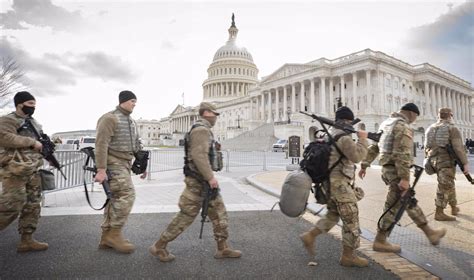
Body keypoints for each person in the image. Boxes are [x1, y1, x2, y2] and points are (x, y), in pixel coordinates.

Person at [149, 102, 241, 262]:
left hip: (203, 181)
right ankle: (159, 246)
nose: (216, 118)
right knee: (186, 215)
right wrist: (210, 177)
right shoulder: (201, 130)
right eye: (215, 114)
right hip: (198, 182)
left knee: (219, 214)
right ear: (206, 113)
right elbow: (199, 156)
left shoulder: (203, 129)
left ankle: (223, 248)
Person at [358, 103, 446, 253]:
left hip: (388, 169)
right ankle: (380, 240)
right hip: (396, 172)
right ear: (411, 113)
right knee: (392, 206)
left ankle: (430, 233)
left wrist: (365, 164)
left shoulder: (386, 123)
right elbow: (402, 154)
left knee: (408, 201)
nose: (415, 120)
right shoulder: (402, 126)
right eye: (415, 116)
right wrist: (404, 178)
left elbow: (375, 146)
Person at [300, 106, 370, 267]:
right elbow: (357, 156)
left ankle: (310, 236)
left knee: (333, 215)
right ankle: (348, 256)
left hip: (329, 185)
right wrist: (363, 139)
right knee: (351, 220)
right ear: (348, 120)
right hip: (340, 186)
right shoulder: (344, 138)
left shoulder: (329, 134)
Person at [94, 90, 146, 254]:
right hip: (113, 162)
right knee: (127, 194)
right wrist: (101, 170)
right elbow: (101, 144)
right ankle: (114, 234)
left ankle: (106, 237)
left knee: (115, 198)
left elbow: (136, 144)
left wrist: (143, 166)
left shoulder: (130, 121)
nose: (134, 104)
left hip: (125, 163)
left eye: (135, 101)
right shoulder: (110, 118)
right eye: (132, 101)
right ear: (123, 101)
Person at [0, 91, 48, 252]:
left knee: (33, 205)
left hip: (33, 170)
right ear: (20, 104)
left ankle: (27, 239)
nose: (33, 107)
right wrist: (31, 142)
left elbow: (40, 141)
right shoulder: (8, 120)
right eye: (30, 104)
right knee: (12, 204)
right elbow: (4, 137)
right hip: (15, 170)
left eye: (34, 104)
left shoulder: (34, 122)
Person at [424, 108, 469, 221]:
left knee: (449, 183)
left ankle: (454, 207)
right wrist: (465, 163)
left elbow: (426, 147)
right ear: (450, 116)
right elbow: (458, 148)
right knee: (444, 186)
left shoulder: (430, 128)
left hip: (433, 161)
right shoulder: (452, 128)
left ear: (439, 116)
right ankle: (439, 212)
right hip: (446, 162)